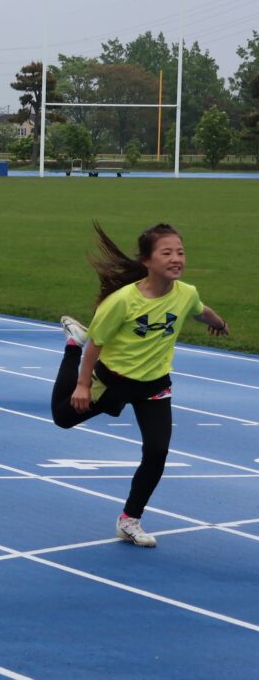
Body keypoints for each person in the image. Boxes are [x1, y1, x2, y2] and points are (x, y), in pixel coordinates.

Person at [51, 223, 228, 547]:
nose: (176, 258)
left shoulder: (186, 293)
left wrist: (218, 323)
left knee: (157, 452)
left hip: (154, 386)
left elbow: (199, 311)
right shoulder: (121, 302)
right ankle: (70, 344)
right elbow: (98, 345)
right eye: (167, 252)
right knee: (63, 418)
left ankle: (129, 520)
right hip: (112, 380)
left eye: (180, 252)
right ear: (147, 260)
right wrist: (82, 385)